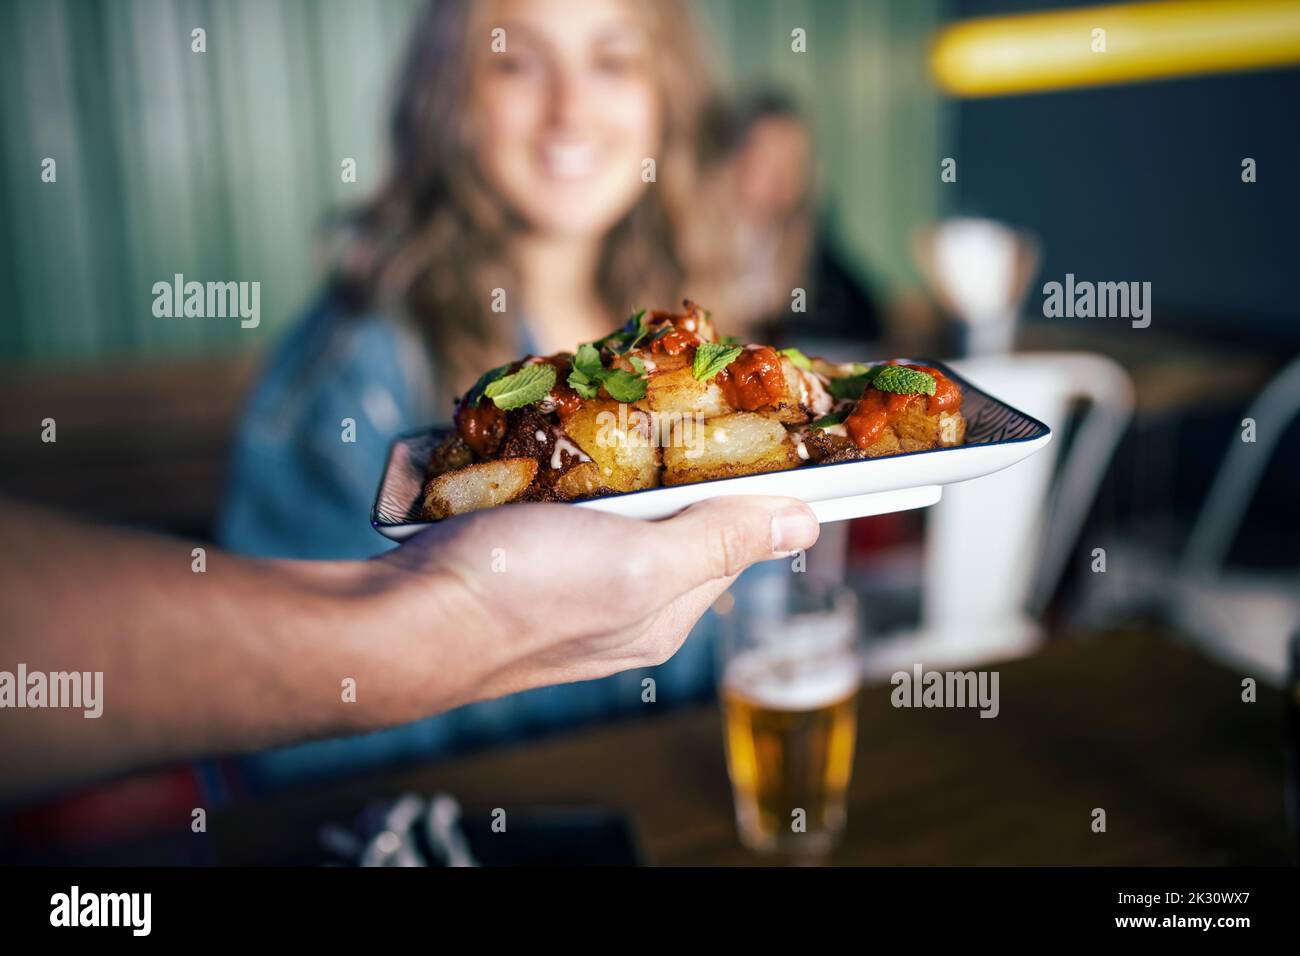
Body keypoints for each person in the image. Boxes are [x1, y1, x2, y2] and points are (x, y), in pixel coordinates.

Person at [215, 0, 744, 788]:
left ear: (665, 95)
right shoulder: (356, 366)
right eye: (517, 62)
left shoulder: (682, 341)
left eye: (612, 60)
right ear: (449, 100)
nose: (571, 109)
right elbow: (281, 727)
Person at [0, 495, 819, 802]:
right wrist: (455, 617)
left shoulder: (709, 339)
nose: (570, 108)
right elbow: (303, 787)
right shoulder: (354, 367)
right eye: (520, 93)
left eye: (618, 94)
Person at [705, 90, 883, 348]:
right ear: (731, 159)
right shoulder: (692, 236)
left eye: (793, 162)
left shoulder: (806, 237)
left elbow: (863, 318)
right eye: (767, 160)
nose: (782, 177)